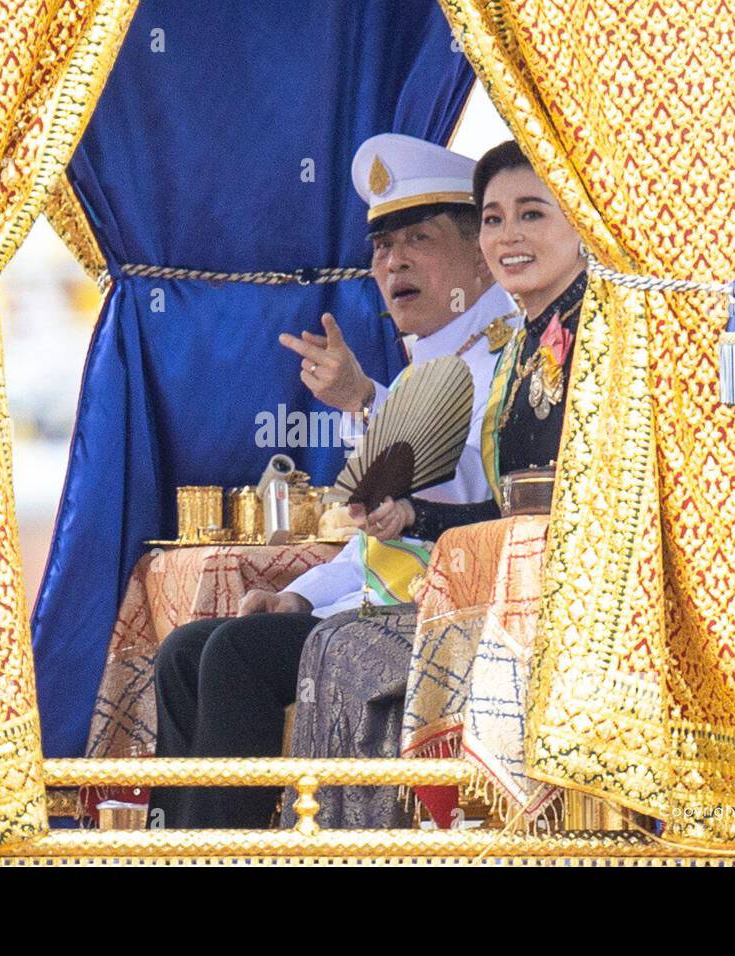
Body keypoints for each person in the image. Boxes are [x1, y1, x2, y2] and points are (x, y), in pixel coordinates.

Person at [148, 133, 518, 829]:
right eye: (382, 247)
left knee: (237, 656)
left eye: (418, 238)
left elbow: (472, 492)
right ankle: (184, 842)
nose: (394, 261)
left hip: (451, 620)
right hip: (388, 603)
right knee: (184, 651)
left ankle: (232, 848)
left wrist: (365, 403)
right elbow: (371, 550)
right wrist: (294, 595)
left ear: (480, 252)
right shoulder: (428, 363)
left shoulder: (508, 353)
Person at [278, 140, 587, 829]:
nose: (509, 237)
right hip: (493, 598)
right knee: (288, 645)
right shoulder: (523, 351)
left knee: (336, 648)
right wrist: (408, 516)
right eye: (495, 219)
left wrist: (366, 402)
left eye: (531, 216)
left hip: (562, 614)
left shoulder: (583, 339)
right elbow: (496, 513)